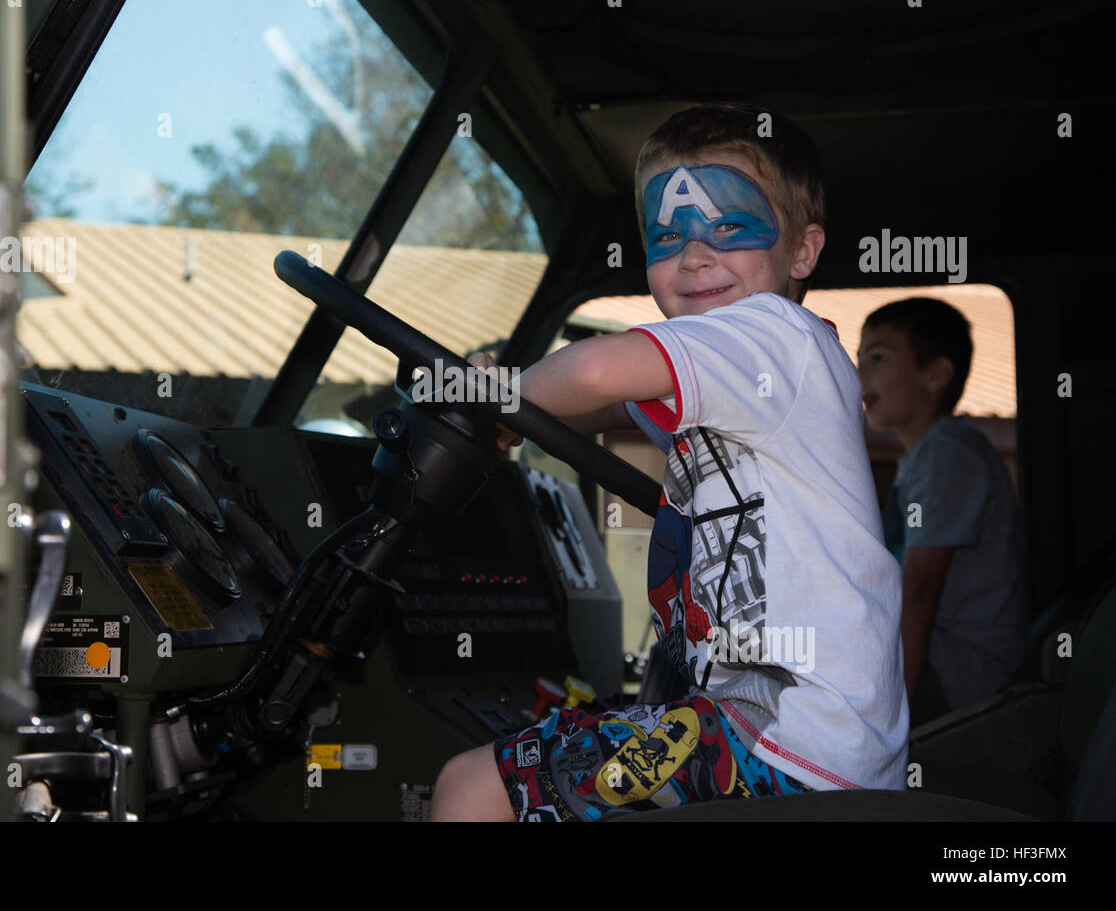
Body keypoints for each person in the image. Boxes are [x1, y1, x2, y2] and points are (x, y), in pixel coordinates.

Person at [428, 102, 909, 822]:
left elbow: (594, 376)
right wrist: (516, 419)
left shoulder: (772, 333)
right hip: (801, 742)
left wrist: (494, 396)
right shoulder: (744, 373)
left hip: (786, 744)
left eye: (729, 228)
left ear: (803, 253)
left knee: (470, 787)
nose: (693, 256)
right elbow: (608, 406)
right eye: (665, 236)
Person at [857, 298, 1028, 725]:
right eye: (859, 359)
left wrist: (896, 713)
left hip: (957, 672)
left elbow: (920, 590)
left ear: (935, 374)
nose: (860, 376)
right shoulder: (925, 456)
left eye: (878, 358)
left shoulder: (947, 455)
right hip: (935, 654)